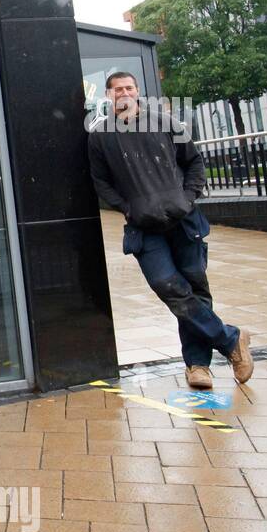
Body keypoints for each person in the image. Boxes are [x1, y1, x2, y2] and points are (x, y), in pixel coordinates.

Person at [86, 71, 253, 389]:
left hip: (184, 222)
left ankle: (198, 366)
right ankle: (231, 339)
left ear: (137, 91)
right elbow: (101, 182)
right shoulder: (100, 136)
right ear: (108, 95)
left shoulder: (165, 122)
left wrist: (187, 198)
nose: (124, 93)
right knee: (167, 285)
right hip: (144, 227)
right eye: (117, 89)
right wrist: (127, 207)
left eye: (129, 87)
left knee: (194, 288)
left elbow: (194, 162)